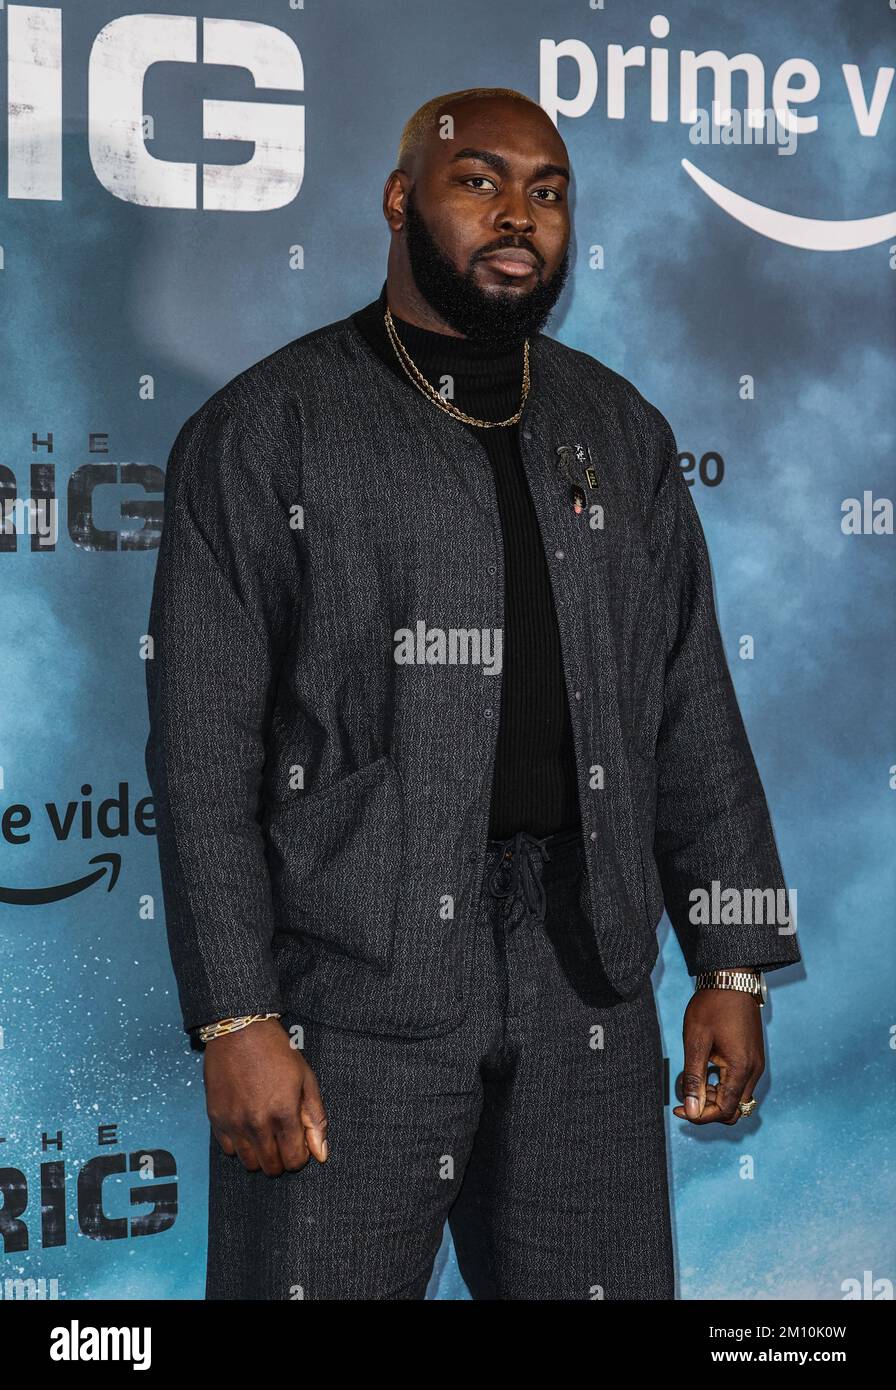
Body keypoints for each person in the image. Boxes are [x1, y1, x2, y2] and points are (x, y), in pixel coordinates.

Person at [145, 86, 802, 1301]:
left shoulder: (619, 429)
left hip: (585, 979)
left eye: (546, 191)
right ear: (400, 202)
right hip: (347, 990)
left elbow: (690, 706)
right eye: (479, 180)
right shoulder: (265, 432)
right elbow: (201, 751)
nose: (518, 213)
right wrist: (236, 1018)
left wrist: (730, 961)